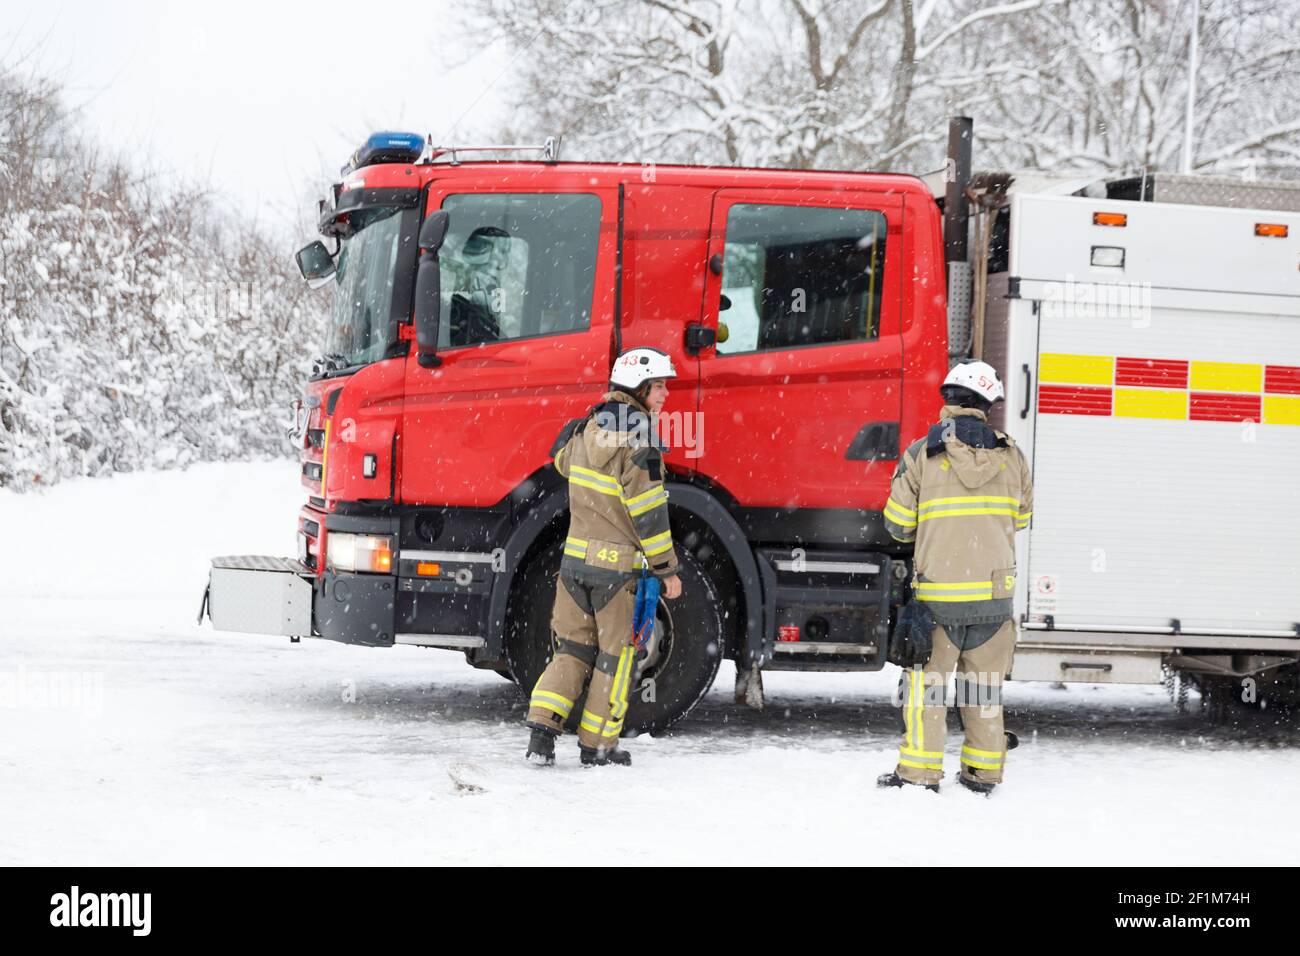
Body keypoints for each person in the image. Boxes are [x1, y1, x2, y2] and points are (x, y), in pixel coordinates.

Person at [877, 361, 1033, 795]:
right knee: (983, 689)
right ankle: (983, 773)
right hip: (993, 599)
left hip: (938, 598)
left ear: (948, 399)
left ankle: (920, 773)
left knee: (927, 689)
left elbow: (897, 525)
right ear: (988, 405)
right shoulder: (1013, 455)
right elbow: (1022, 518)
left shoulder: (922, 453)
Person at [524, 346, 684, 767]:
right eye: (660, 386)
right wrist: (668, 569)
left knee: (572, 650)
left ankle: (541, 733)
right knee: (616, 658)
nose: (666, 394)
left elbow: (559, 462)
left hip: (574, 567)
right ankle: (597, 747)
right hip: (617, 574)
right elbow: (650, 515)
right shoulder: (641, 442)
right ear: (640, 387)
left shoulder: (585, 429)